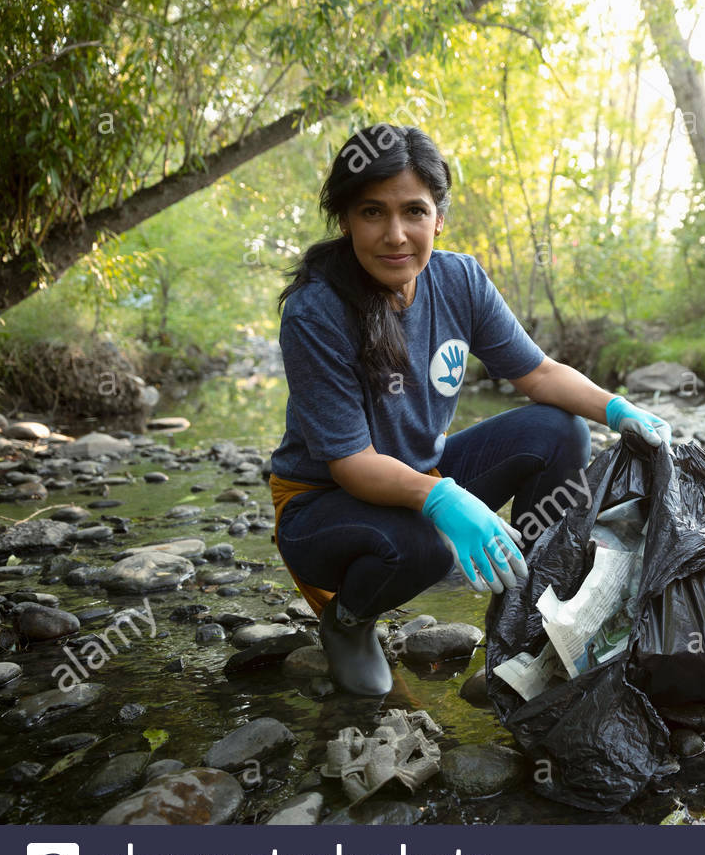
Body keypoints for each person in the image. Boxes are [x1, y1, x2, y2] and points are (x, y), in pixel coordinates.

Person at [268, 123, 672, 697]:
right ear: (345, 221)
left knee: (559, 431)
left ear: (438, 218)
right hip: (321, 506)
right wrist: (442, 497)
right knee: (427, 541)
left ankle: (528, 619)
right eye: (371, 212)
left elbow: (538, 374)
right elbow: (350, 463)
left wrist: (617, 408)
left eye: (413, 211)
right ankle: (349, 622)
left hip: (419, 476)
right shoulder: (316, 311)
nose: (395, 235)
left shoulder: (459, 279)